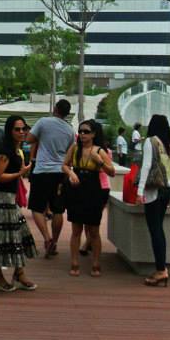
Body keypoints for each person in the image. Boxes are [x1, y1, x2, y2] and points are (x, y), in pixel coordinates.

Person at [0, 115, 37, 291]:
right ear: (9, 131)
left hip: (10, 198)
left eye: (23, 129)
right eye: (17, 129)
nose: (21, 132)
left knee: (17, 235)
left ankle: (18, 273)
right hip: (2, 199)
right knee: (2, 237)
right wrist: (20, 173)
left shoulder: (15, 150)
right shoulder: (5, 152)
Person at [137, 114, 170, 287]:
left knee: (155, 230)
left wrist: (139, 190)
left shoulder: (150, 142)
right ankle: (161, 269)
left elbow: (145, 166)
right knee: (159, 228)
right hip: (168, 191)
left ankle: (161, 270)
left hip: (154, 191)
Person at [63, 118, 114, 277]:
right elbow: (64, 164)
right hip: (77, 187)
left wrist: (100, 163)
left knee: (93, 229)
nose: (83, 134)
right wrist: (71, 172)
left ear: (93, 134)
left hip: (93, 189)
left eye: (86, 132)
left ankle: (96, 262)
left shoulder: (99, 151)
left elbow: (111, 172)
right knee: (76, 228)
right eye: (81, 131)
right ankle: (74, 261)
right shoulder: (74, 148)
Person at [27, 98, 74, 257]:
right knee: (58, 209)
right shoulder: (69, 130)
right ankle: (54, 241)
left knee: (36, 208)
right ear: (67, 113)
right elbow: (70, 153)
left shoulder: (44, 122)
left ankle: (46, 238)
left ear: (55, 108)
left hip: (41, 171)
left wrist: (42, 138)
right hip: (60, 172)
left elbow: (29, 139)